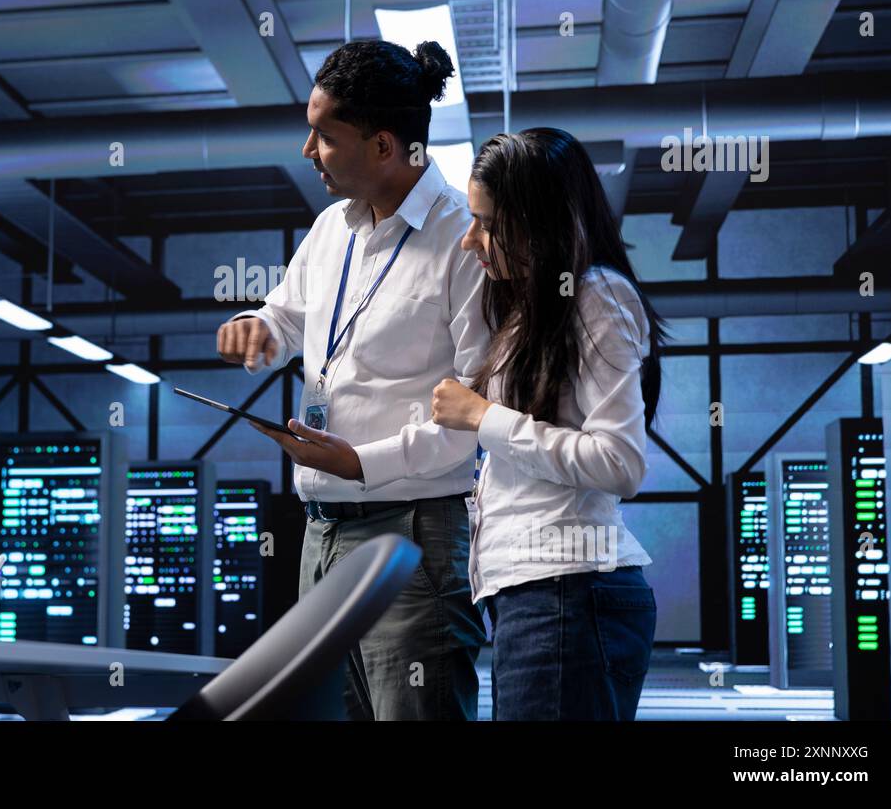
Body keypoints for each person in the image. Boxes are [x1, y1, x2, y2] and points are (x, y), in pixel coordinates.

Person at [215, 39, 489, 720]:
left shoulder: (464, 241)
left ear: (385, 146)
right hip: (320, 533)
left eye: (325, 136)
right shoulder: (329, 228)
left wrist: (359, 461)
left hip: (412, 539)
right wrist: (259, 325)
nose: (309, 152)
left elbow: (472, 419)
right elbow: (285, 314)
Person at [431, 127, 668, 720]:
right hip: (537, 595)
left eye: (486, 222)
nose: (470, 241)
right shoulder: (527, 309)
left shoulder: (596, 295)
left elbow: (620, 462)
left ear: (540, 219)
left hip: (566, 591)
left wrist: (485, 416)